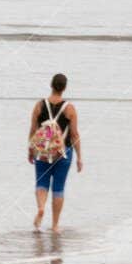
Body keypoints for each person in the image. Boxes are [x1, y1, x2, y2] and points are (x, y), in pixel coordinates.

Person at [30, 73, 83, 231]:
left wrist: (30, 149)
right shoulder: (70, 109)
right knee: (58, 188)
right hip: (63, 152)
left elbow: (33, 130)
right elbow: (74, 134)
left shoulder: (39, 105)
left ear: (51, 85)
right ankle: (55, 225)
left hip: (42, 151)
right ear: (64, 88)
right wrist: (79, 157)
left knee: (42, 183)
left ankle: (41, 208)